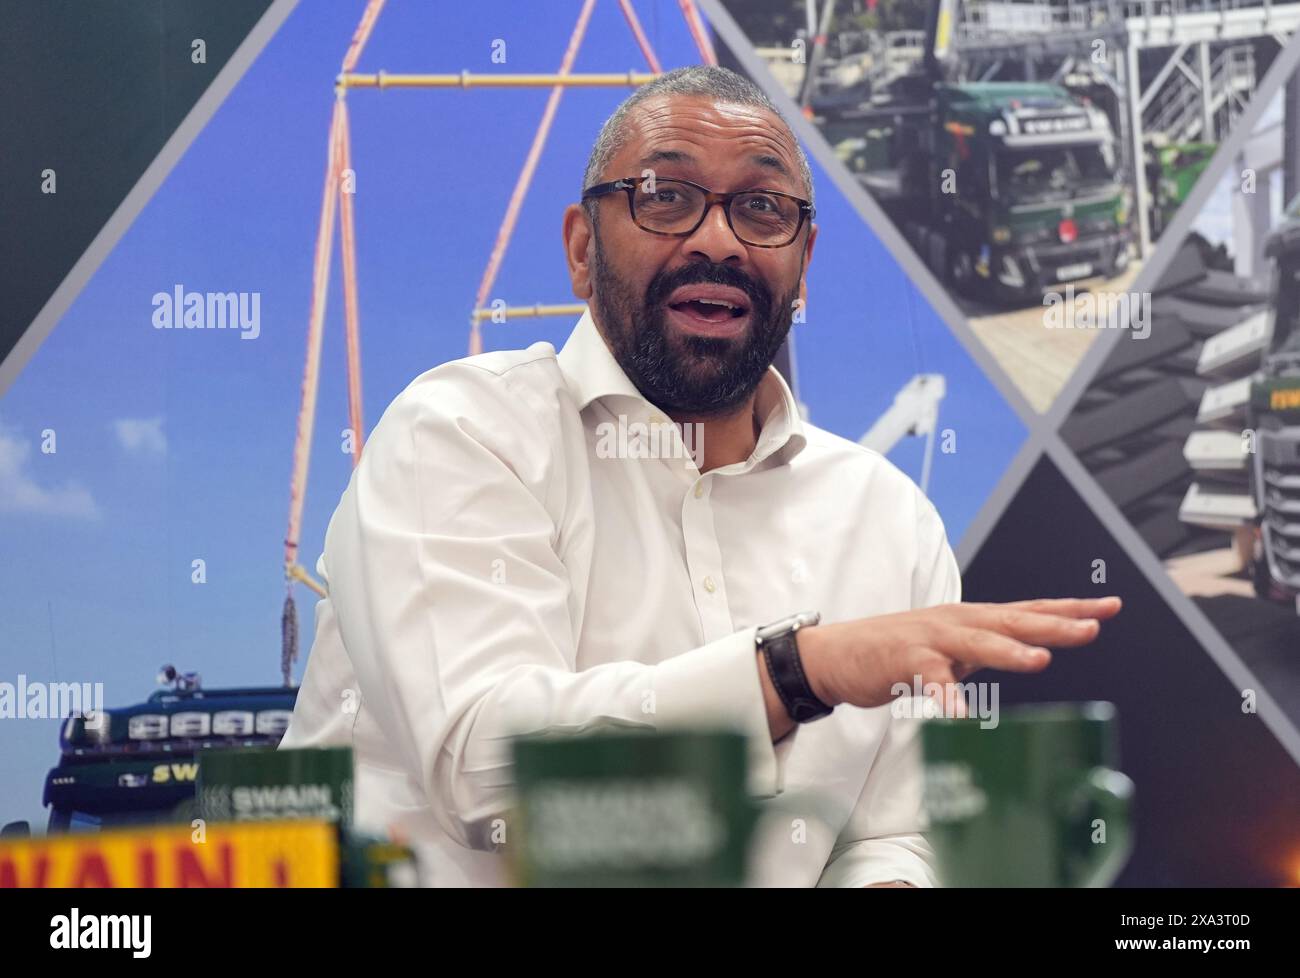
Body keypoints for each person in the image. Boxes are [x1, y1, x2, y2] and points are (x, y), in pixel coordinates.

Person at [281, 65, 1121, 886]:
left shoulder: (890, 520)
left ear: (803, 261)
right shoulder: (458, 433)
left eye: (761, 209)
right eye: (665, 196)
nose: (717, 239)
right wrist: (799, 671)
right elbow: (483, 771)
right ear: (581, 247)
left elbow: (898, 831)